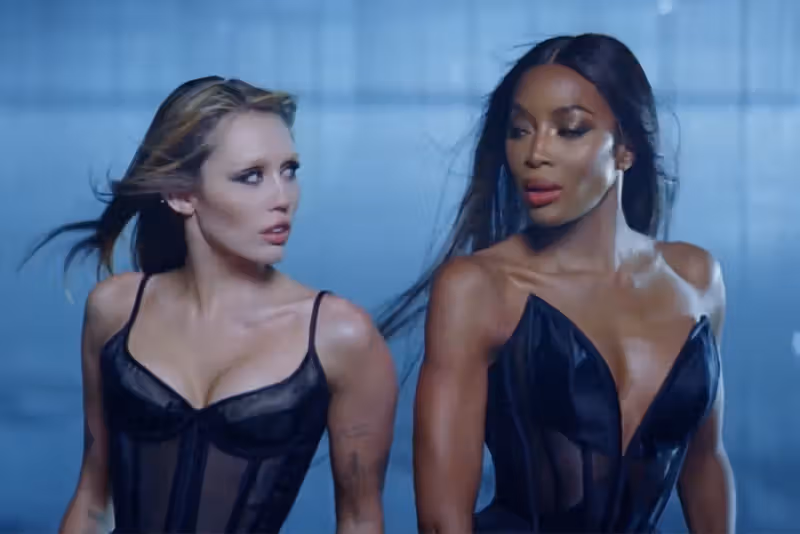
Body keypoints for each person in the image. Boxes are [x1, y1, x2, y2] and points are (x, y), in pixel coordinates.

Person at [378, 34, 734, 533]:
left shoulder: (696, 278)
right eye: (520, 130)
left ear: (626, 148)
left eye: (569, 130)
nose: (535, 153)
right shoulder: (477, 289)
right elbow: (441, 522)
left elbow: (705, 463)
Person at [27, 76, 398, 534]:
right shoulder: (116, 310)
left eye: (289, 170)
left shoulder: (340, 336)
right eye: (251, 176)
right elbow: (93, 500)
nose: (283, 198)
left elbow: (361, 521)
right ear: (182, 194)